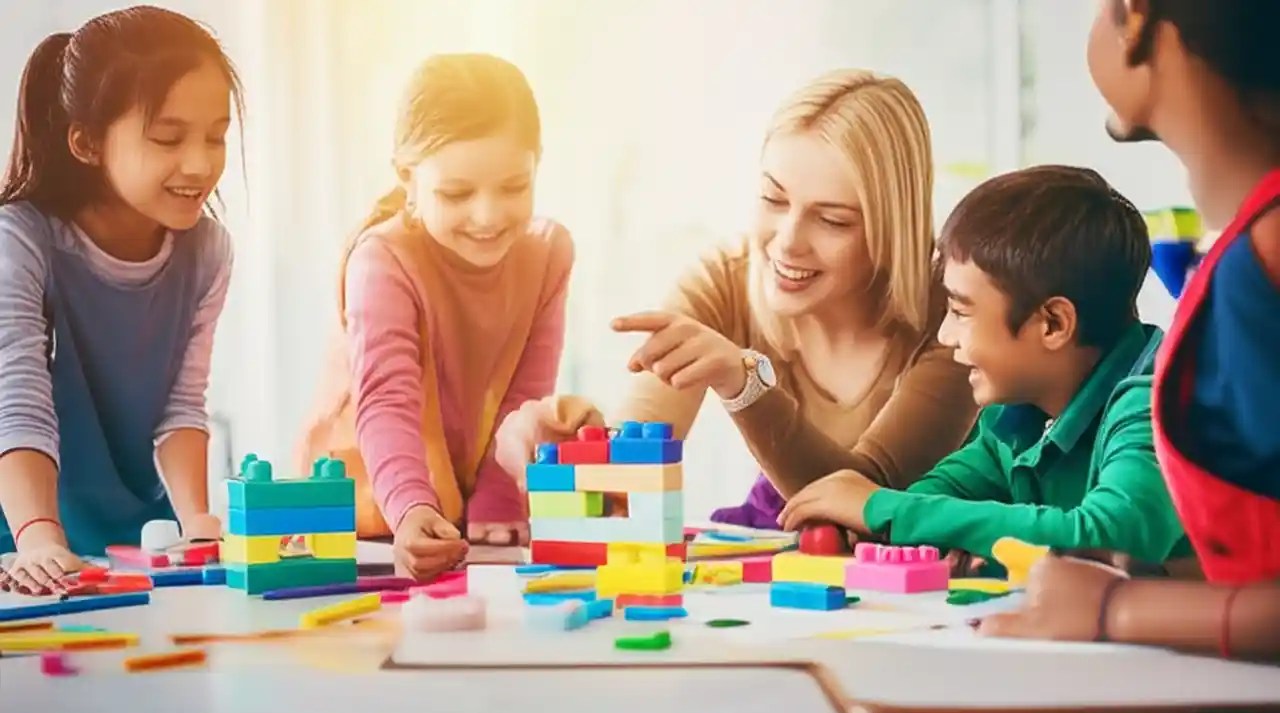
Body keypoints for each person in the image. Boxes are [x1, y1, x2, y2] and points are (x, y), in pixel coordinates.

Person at [496, 69, 977, 527]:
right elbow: (629, 478)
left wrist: (743, 384)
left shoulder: (960, 311)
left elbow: (866, 501)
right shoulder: (724, 281)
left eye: (832, 220)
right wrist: (574, 453)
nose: (787, 242)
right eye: (773, 199)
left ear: (892, 228)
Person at [981, 0, 1280, 661]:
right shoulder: (1246, 249)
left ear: (1136, 14)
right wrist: (1170, 580)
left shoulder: (1270, 252)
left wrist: (1119, 608)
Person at [779, 165, 1190, 569]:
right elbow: (938, 497)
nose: (944, 335)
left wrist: (880, 509)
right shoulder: (1021, 416)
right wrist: (871, 524)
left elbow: (1115, 536)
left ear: (1053, 324)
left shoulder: (1154, 401)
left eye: (960, 311)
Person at [297, 54, 573, 580]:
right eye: (457, 193)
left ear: (538, 162)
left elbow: (526, 393)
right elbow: (386, 398)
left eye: (514, 187)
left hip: (458, 500)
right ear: (408, 177)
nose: (488, 216)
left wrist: (497, 496)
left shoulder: (548, 253)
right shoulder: (382, 259)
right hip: (366, 507)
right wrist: (409, 507)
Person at [0, 6, 240, 594]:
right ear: (85, 142)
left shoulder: (207, 251)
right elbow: (16, 402)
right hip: (20, 539)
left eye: (216, 136)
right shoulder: (20, 241)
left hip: (123, 546)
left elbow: (182, 405)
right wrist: (37, 535)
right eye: (168, 137)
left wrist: (197, 522)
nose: (201, 163)